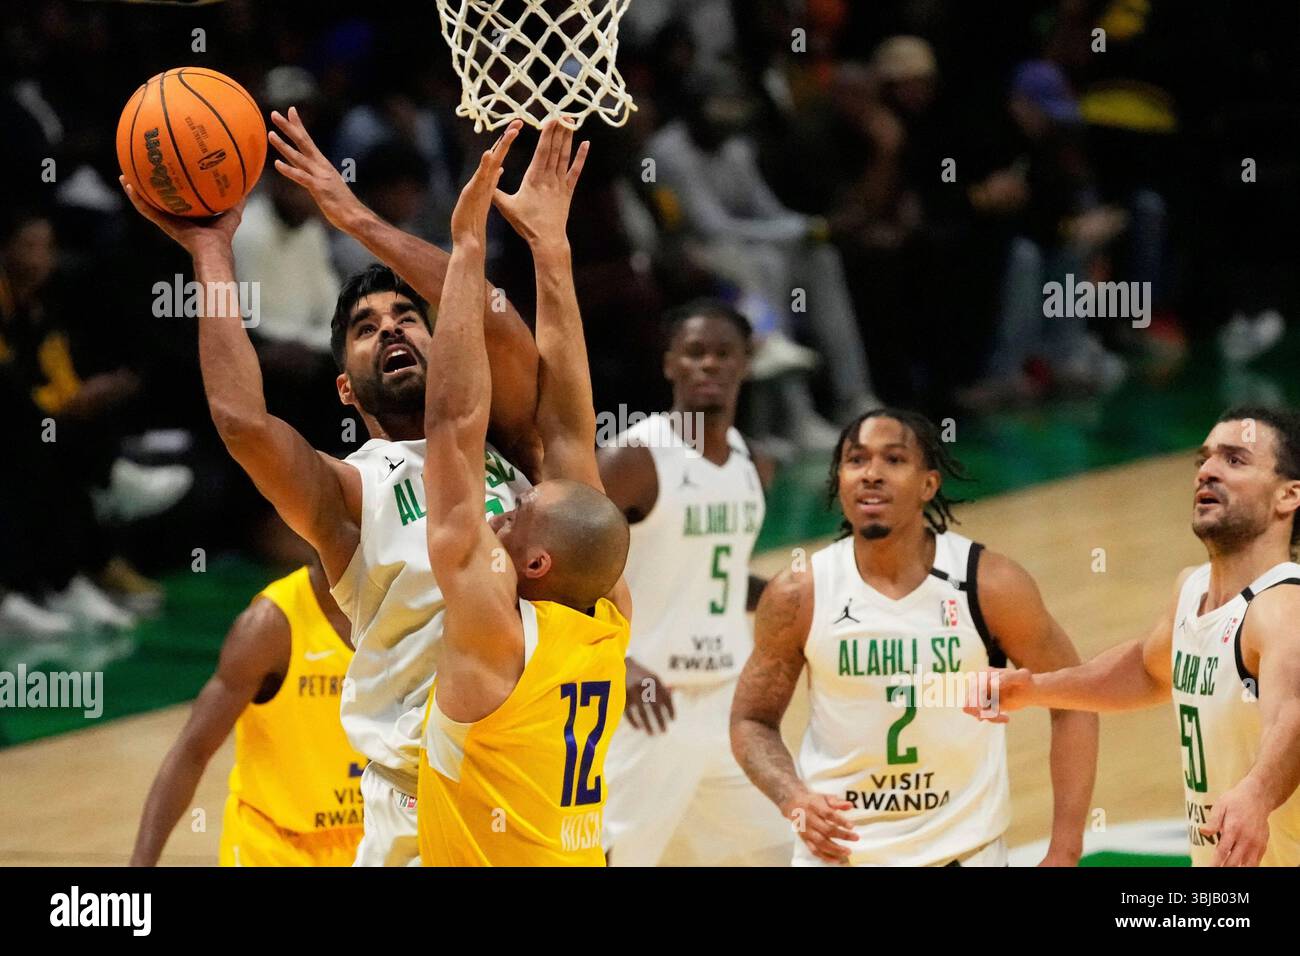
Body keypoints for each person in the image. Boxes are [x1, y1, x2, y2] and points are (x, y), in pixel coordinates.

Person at [119, 102, 541, 867]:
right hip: (426, 808)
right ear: (345, 389)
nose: (390, 329)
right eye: (364, 327)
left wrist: (354, 220)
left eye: (406, 316)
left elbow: (497, 319)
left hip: (540, 793)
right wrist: (213, 249)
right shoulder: (349, 493)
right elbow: (243, 422)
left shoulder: (508, 441)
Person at [731, 408, 1098, 866]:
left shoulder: (989, 583)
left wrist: (1065, 848)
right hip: (839, 857)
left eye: (894, 460)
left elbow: (1077, 701)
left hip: (966, 854)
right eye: (856, 460)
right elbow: (751, 722)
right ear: (839, 479)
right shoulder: (799, 591)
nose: (871, 475)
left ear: (928, 484)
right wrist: (793, 799)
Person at [415, 119, 632, 866]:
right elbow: (570, 432)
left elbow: (450, 424)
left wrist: (467, 250)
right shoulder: (605, 619)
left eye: (516, 518)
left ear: (536, 565)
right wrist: (551, 249)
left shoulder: (497, 634)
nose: (501, 511)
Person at [972, 407, 1300, 866]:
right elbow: (1147, 672)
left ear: (1288, 496)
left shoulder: (1284, 605)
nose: (1207, 471)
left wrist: (1257, 794)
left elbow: (1294, 713)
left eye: (1235, 460)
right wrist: (1034, 689)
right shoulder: (1192, 590)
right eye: (1203, 460)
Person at [598, 298, 792, 866]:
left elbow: (719, 575)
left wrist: (800, 597)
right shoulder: (634, 459)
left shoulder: (755, 463)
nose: (708, 364)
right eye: (694, 353)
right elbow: (566, 572)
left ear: (745, 365)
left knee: (782, 849)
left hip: (731, 704)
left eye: (723, 353)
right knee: (618, 856)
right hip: (648, 703)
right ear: (669, 365)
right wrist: (621, 663)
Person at [130, 559, 365, 866]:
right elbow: (193, 750)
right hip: (273, 847)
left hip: (373, 837)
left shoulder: (405, 610)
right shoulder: (270, 626)